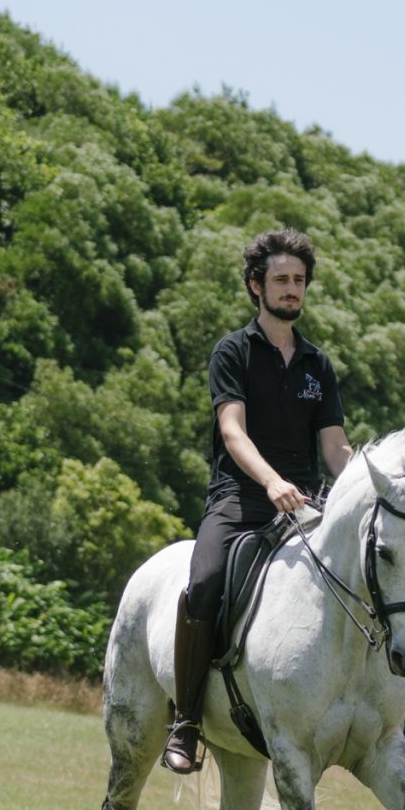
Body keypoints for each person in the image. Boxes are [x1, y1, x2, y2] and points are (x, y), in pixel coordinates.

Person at [160, 227, 353, 775]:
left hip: (306, 505)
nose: (292, 289)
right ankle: (188, 720)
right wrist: (271, 482)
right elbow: (233, 433)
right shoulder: (232, 351)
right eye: (281, 280)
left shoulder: (318, 364)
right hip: (241, 497)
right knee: (203, 584)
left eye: (299, 281)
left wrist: (366, 483)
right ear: (255, 286)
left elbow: (335, 446)